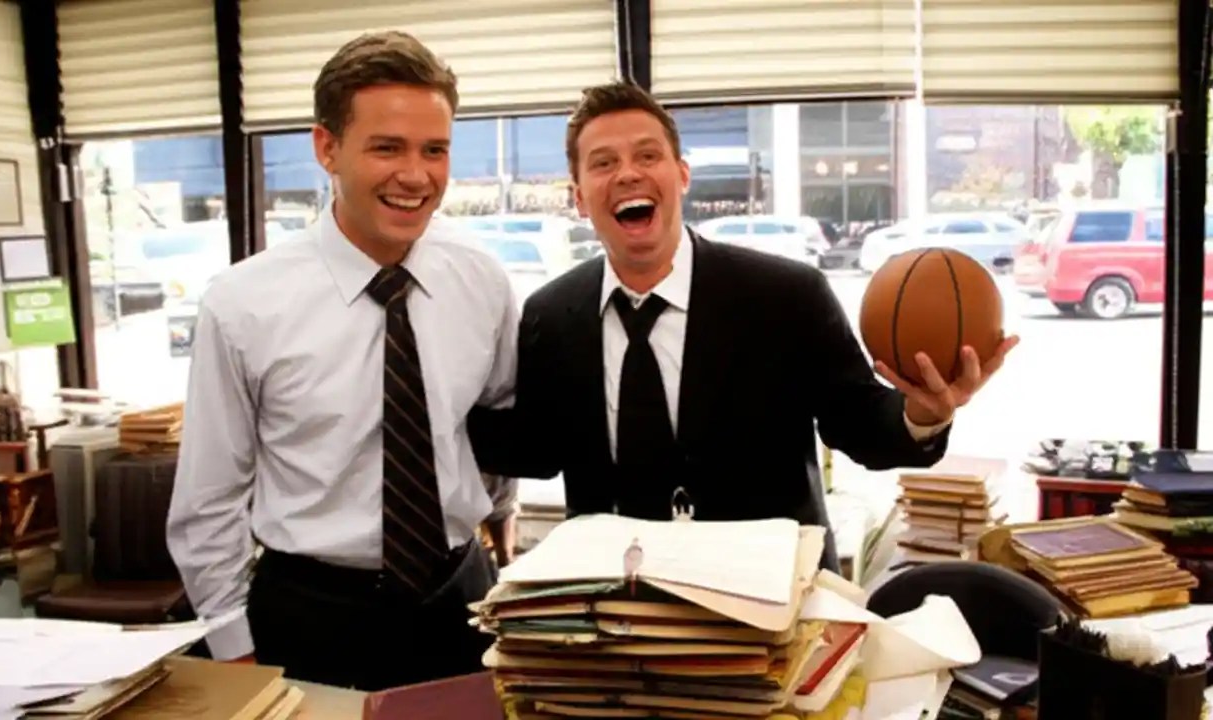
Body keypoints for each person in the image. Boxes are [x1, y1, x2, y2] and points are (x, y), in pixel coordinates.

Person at [469, 81, 1018, 570]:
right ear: (579, 197)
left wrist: (922, 414)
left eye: (647, 155)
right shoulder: (550, 313)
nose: (628, 173)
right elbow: (537, 450)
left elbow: (858, 425)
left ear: (681, 175)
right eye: (603, 162)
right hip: (623, 602)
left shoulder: (787, 295)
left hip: (770, 596)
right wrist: (426, 403)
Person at [165, 30, 520, 690]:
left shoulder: (484, 283)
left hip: (461, 603)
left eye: (434, 150)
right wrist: (235, 652)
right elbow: (208, 502)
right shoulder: (244, 304)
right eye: (386, 147)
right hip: (311, 616)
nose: (416, 175)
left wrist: (501, 565)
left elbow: (495, 442)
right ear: (326, 148)